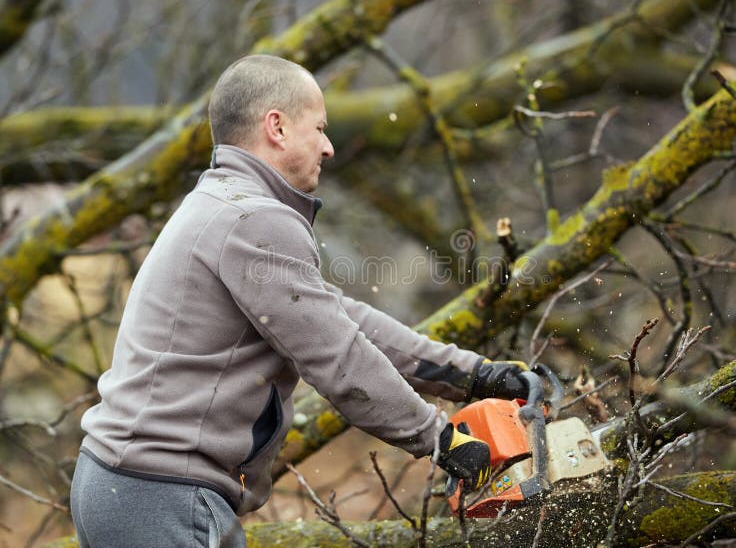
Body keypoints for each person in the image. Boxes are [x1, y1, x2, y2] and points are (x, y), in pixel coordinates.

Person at [69, 54, 530, 547]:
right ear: (277, 127)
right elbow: (338, 359)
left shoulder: (222, 206)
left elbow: (342, 321)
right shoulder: (255, 221)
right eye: (320, 128)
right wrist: (439, 438)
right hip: (161, 494)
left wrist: (472, 374)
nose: (328, 147)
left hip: (130, 486)